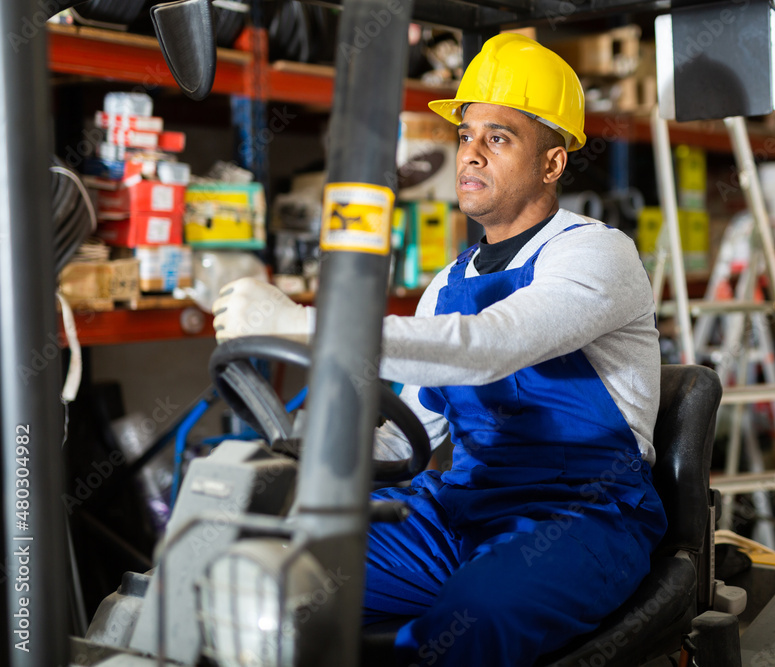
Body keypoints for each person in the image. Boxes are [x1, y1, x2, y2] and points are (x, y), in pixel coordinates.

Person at [212, 33, 666, 667]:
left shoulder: (594, 253)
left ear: (553, 163)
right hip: (459, 511)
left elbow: (490, 346)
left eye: (498, 138)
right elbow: (407, 441)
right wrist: (302, 451)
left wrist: (302, 326)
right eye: (465, 136)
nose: (470, 154)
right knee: (277, 568)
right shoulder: (445, 287)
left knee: (468, 625)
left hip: (579, 518)